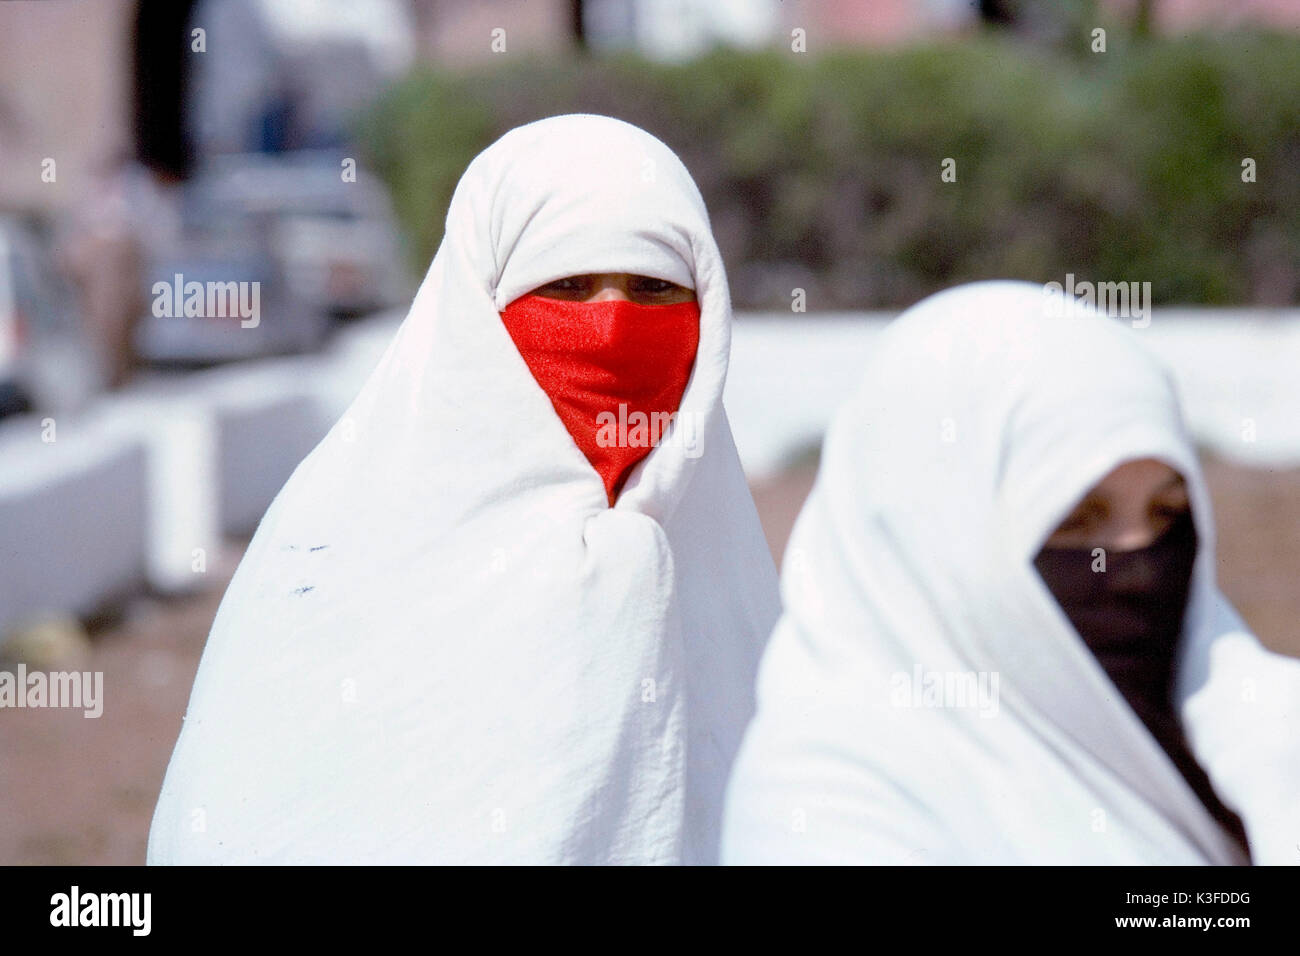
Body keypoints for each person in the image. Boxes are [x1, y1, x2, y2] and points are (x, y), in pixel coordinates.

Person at [148, 115, 780, 865]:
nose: (611, 329)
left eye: (651, 290)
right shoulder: (327, 565)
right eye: (569, 288)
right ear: (479, 310)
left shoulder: (736, 590)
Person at [721, 280, 1300, 865]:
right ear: (940, 536)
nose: (1136, 565)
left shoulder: (1241, 731)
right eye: (1075, 519)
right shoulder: (831, 809)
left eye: (1166, 513)